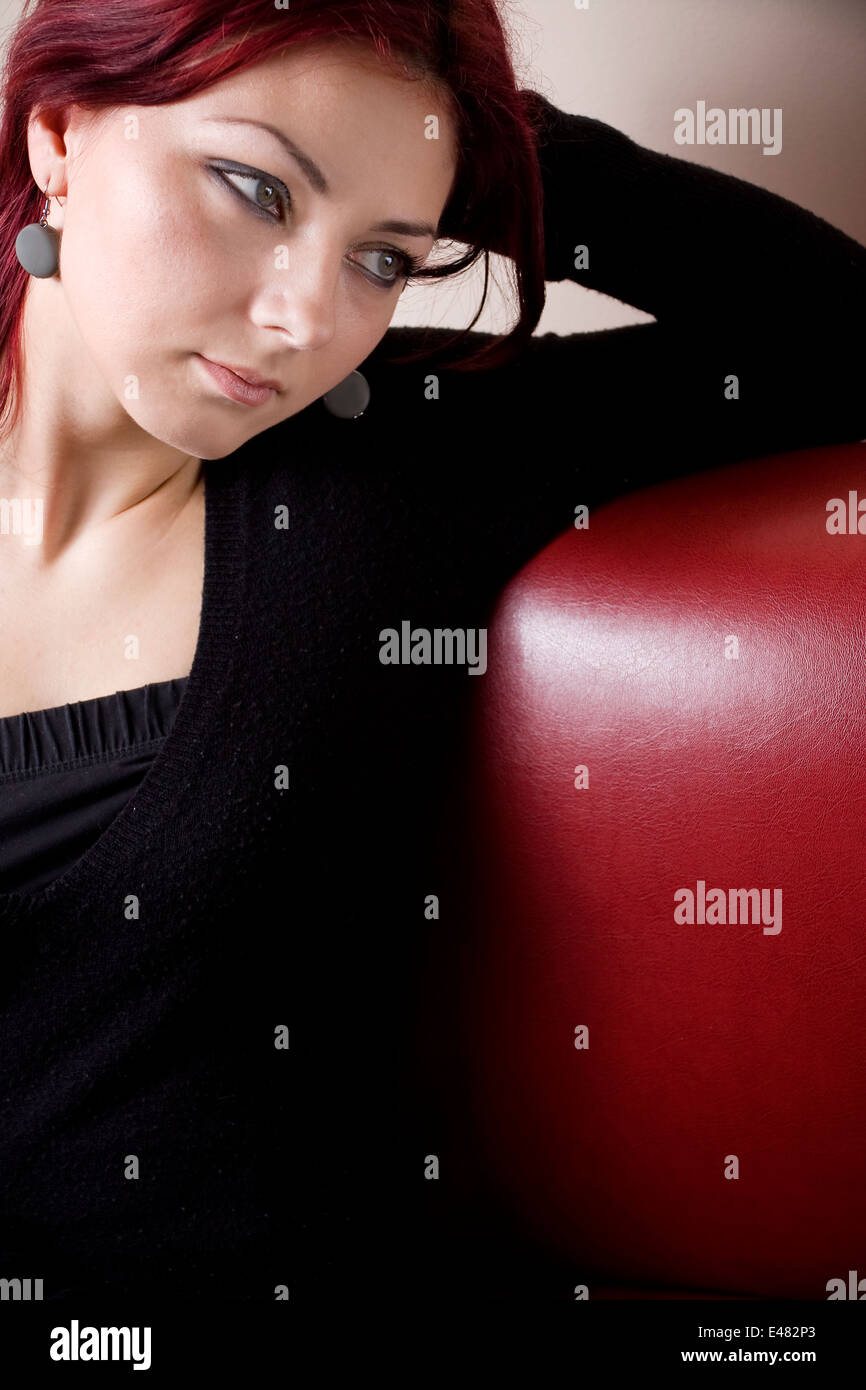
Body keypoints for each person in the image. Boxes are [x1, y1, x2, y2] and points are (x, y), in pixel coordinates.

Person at [0, 0, 861, 1306]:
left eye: (384, 259)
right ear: (57, 133)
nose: (303, 318)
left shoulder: (381, 478)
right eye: (254, 188)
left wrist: (481, 137)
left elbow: (834, 333)